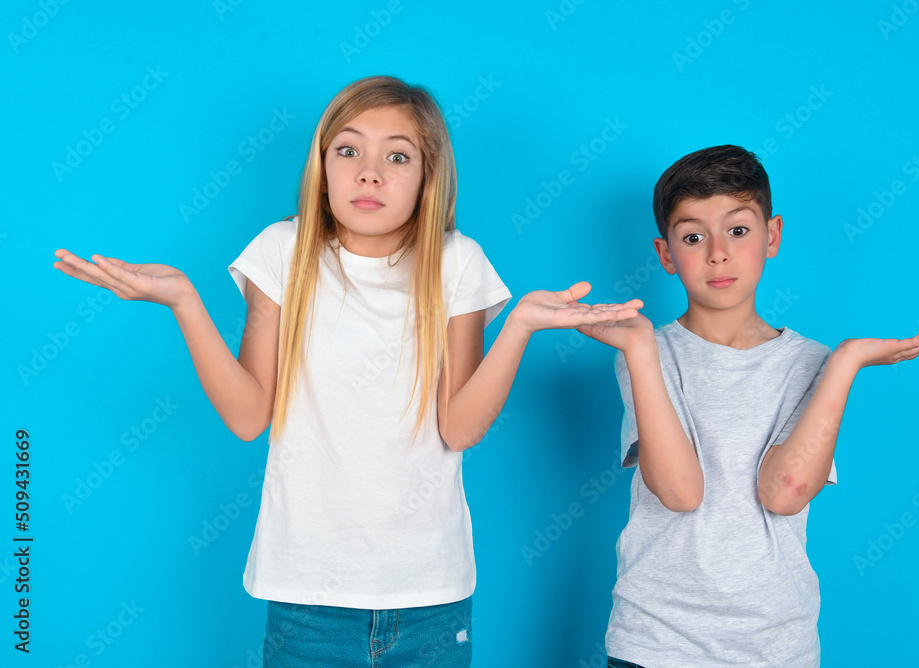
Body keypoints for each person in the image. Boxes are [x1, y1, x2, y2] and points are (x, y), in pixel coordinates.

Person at [52, 75, 642, 667]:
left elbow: (459, 428)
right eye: (349, 150)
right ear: (323, 165)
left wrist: (517, 328)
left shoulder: (456, 262)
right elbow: (248, 415)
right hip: (306, 595)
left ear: (427, 177)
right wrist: (185, 301)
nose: (370, 172)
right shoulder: (282, 252)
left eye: (398, 156)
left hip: (429, 595)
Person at [578, 144, 919, 668]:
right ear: (665, 254)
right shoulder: (644, 353)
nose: (717, 253)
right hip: (656, 642)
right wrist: (638, 350)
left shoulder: (812, 363)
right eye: (692, 237)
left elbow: (785, 492)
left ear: (771, 235)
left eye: (737, 230)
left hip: (777, 647)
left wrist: (844, 363)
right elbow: (681, 491)